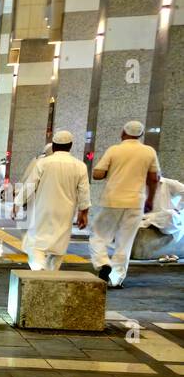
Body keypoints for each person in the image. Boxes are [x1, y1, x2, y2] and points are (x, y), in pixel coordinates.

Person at [90, 119, 160, 287]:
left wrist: (110, 172)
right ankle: (116, 279)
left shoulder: (114, 150)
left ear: (123, 133)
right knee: (125, 241)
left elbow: (97, 174)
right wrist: (150, 199)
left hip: (112, 200)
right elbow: (153, 178)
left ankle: (102, 262)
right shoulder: (149, 151)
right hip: (136, 201)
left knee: (99, 235)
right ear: (141, 134)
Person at [20, 130, 90, 270]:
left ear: (54, 146)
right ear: (70, 146)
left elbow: (29, 185)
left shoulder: (44, 163)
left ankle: (39, 268)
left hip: (43, 209)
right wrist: (84, 213)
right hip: (66, 211)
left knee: (36, 243)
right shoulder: (80, 165)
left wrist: (18, 203)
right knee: (59, 244)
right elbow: (84, 192)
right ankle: (52, 273)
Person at [134, 173, 184, 262]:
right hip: (147, 218)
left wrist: (178, 208)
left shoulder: (168, 183)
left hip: (166, 218)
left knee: (170, 214)